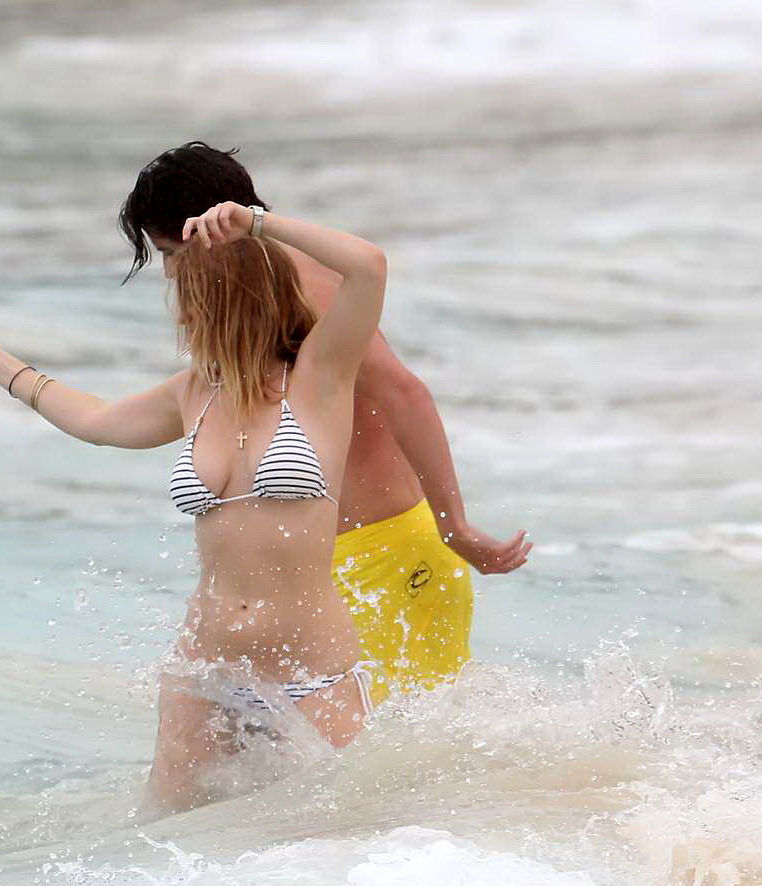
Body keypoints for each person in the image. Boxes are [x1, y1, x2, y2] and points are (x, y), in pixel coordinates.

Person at [0, 202, 386, 809]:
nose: (180, 309)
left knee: (336, 844)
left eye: (190, 293)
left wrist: (259, 223)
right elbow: (97, 422)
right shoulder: (193, 393)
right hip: (205, 673)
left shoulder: (319, 375)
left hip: (312, 672)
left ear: (236, 299)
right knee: (167, 844)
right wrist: (0, 366)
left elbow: (368, 268)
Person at [119, 143, 531, 704]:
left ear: (203, 231)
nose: (167, 271)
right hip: (331, 572)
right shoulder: (246, 300)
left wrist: (452, 524)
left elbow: (403, 391)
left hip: (386, 558)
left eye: (168, 251)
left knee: (402, 780)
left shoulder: (300, 283)